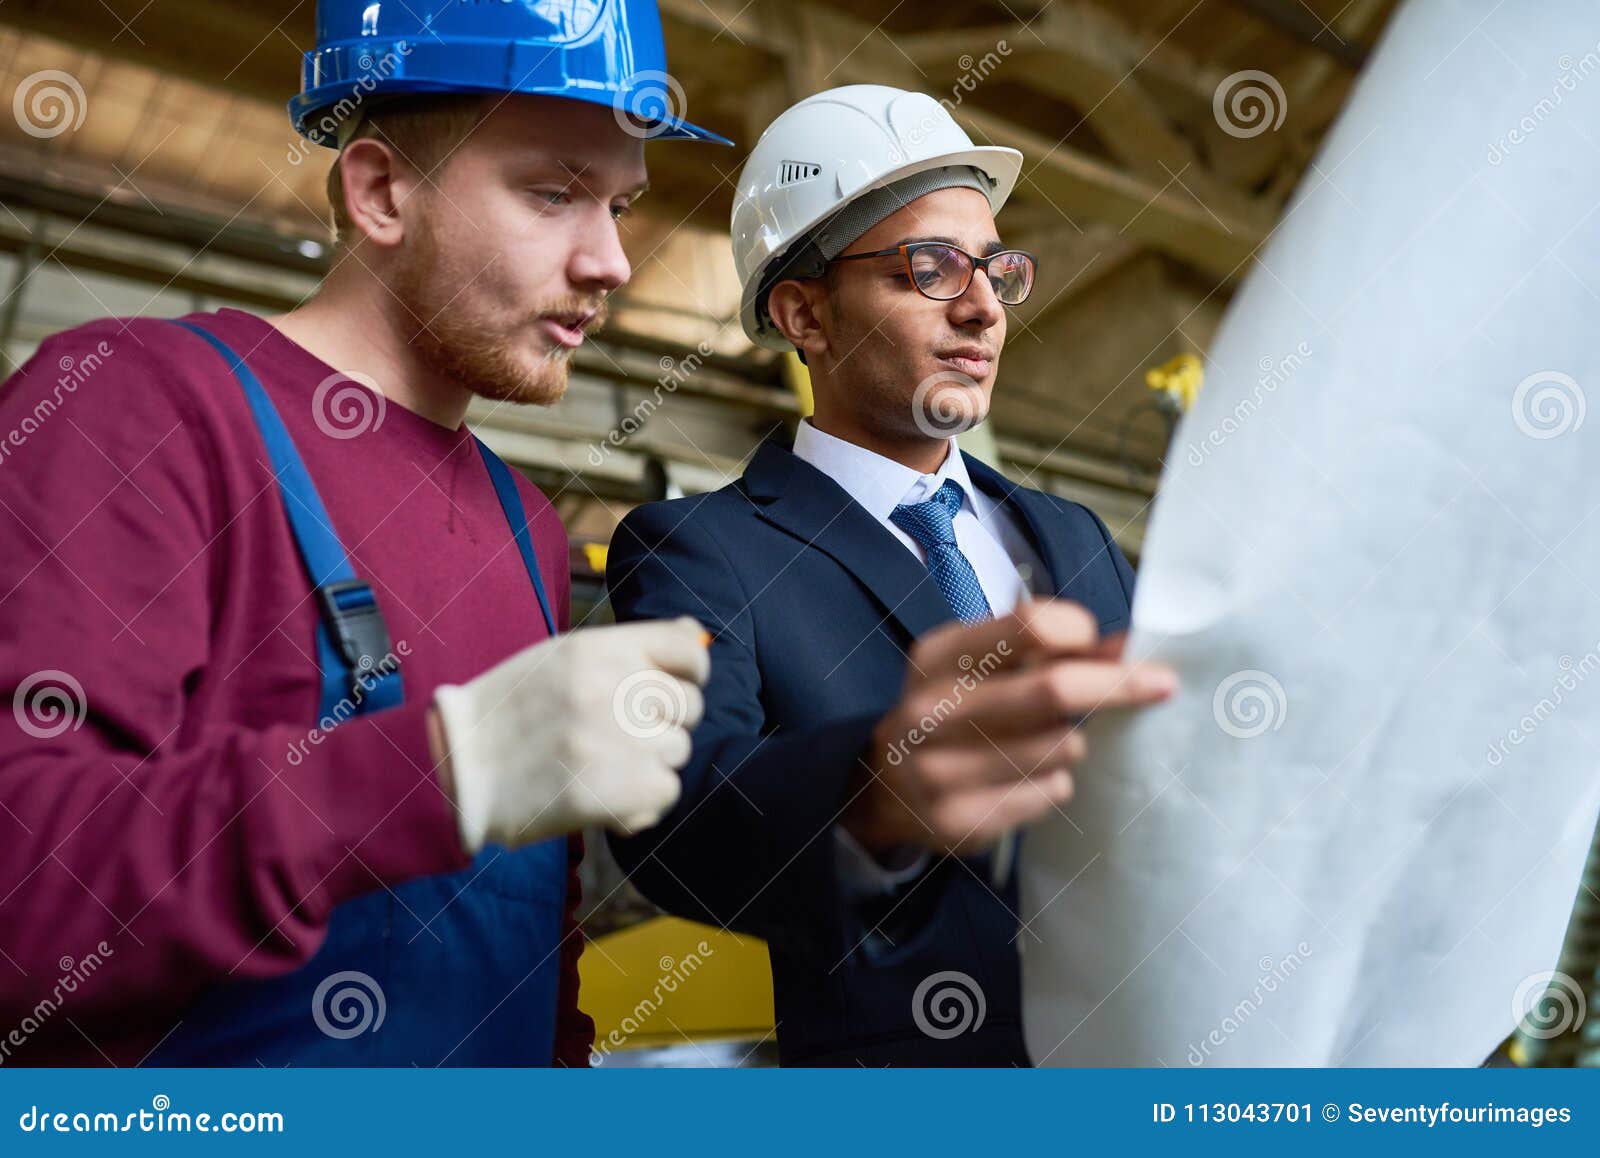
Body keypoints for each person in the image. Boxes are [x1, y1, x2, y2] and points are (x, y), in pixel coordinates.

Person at [0, 0, 729, 1066]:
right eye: (552, 195)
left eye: (619, 205)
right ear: (382, 191)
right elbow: (25, 895)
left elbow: (536, 953)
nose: (612, 262)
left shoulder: (525, 523)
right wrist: (445, 766)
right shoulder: (138, 409)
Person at [606, 85, 1178, 1066]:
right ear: (805, 314)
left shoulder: (1073, 535)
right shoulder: (703, 551)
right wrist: (871, 795)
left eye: (997, 269)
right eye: (930, 268)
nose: (983, 306)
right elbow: (675, 815)